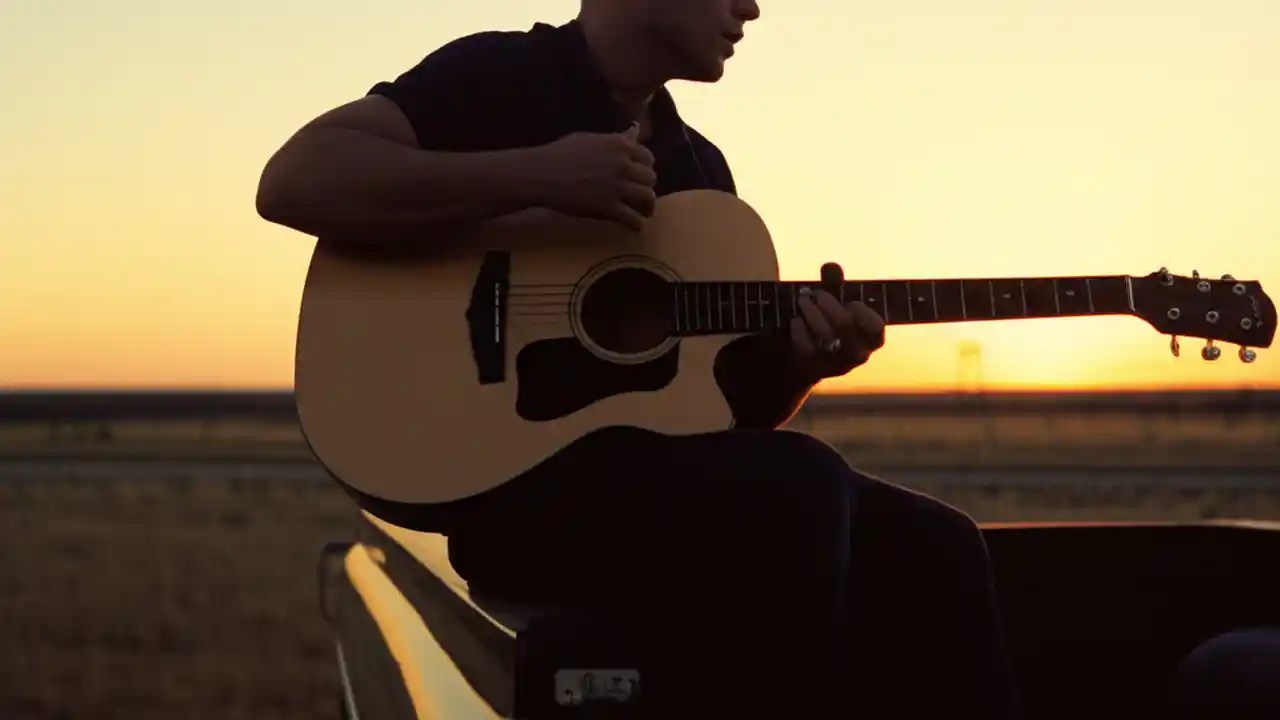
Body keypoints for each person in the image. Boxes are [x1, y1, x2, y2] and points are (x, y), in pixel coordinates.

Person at [257, 1, 1020, 716]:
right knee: (804, 481)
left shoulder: (699, 174)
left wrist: (800, 363)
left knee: (940, 545)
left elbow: (721, 413)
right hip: (511, 499)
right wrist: (534, 175)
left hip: (645, 500)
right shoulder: (503, 77)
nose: (751, 8)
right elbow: (295, 180)